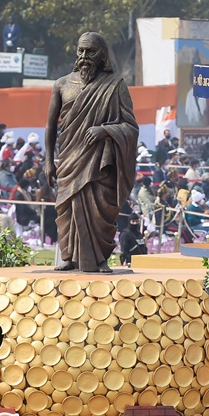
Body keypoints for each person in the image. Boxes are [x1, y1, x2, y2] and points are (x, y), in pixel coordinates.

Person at [45, 32, 140, 273]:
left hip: (99, 164)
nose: (85, 56)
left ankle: (99, 259)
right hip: (69, 159)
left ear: (102, 55)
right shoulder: (61, 84)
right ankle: (68, 256)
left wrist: (105, 130)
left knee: (99, 210)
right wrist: (48, 161)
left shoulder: (115, 86)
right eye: (81, 51)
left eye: (91, 51)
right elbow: (50, 126)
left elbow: (130, 126)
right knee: (67, 208)